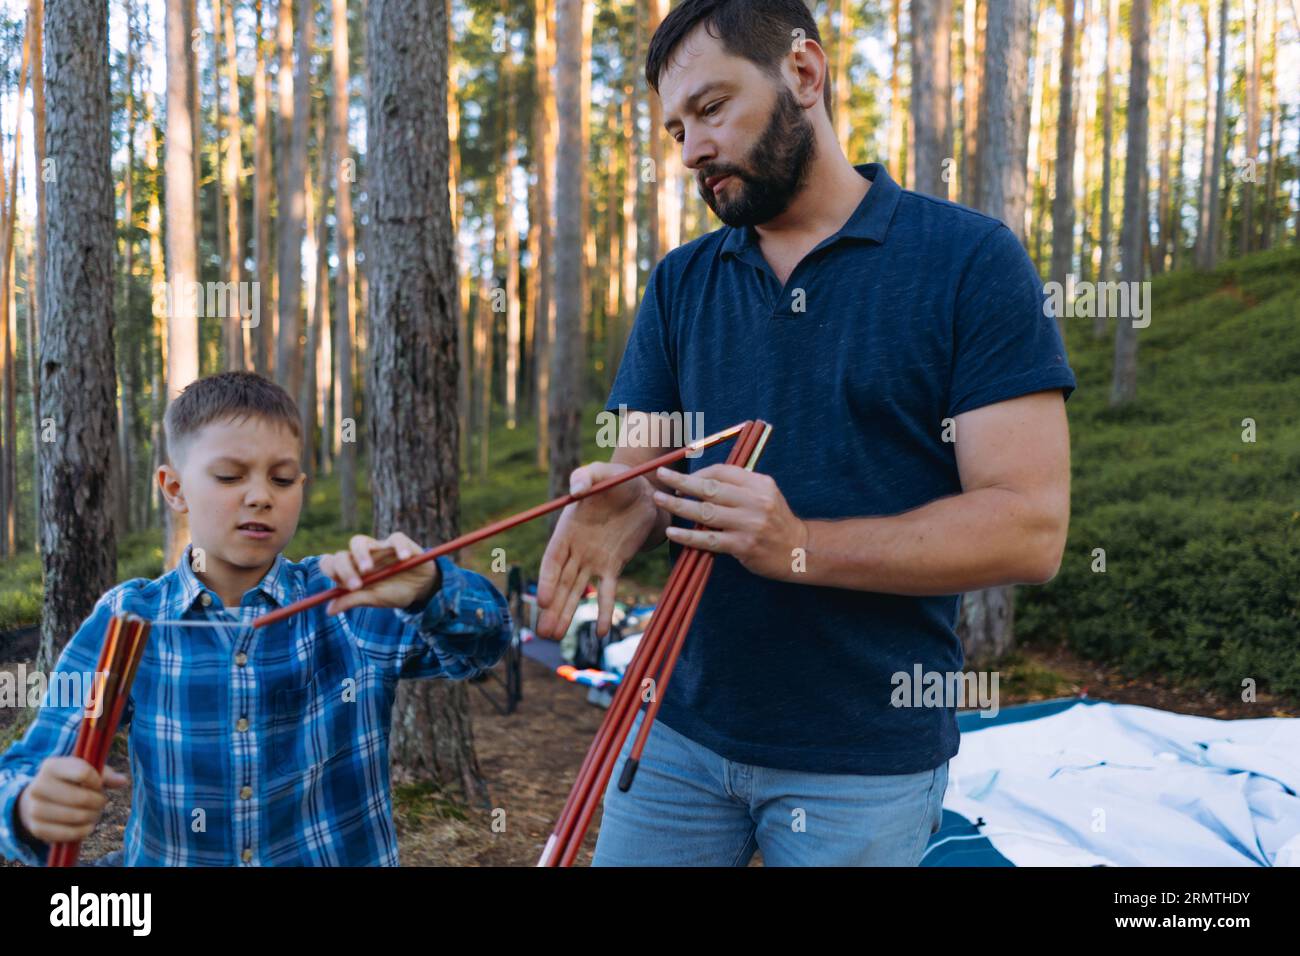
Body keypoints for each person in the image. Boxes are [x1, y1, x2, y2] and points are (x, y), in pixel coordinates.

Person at [536, 0, 1077, 866]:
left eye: (711, 109)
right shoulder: (681, 283)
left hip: (864, 760)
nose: (690, 150)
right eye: (675, 128)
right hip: (676, 731)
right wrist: (616, 498)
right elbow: (643, 470)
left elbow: (1030, 528)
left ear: (804, 74)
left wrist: (797, 545)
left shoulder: (971, 263)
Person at [0, 371, 511, 866]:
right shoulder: (131, 618)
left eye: (282, 478)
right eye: (229, 475)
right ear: (175, 488)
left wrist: (430, 591)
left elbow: (484, 647)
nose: (261, 495)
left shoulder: (350, 602)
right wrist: (29, 809)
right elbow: (26, 766)